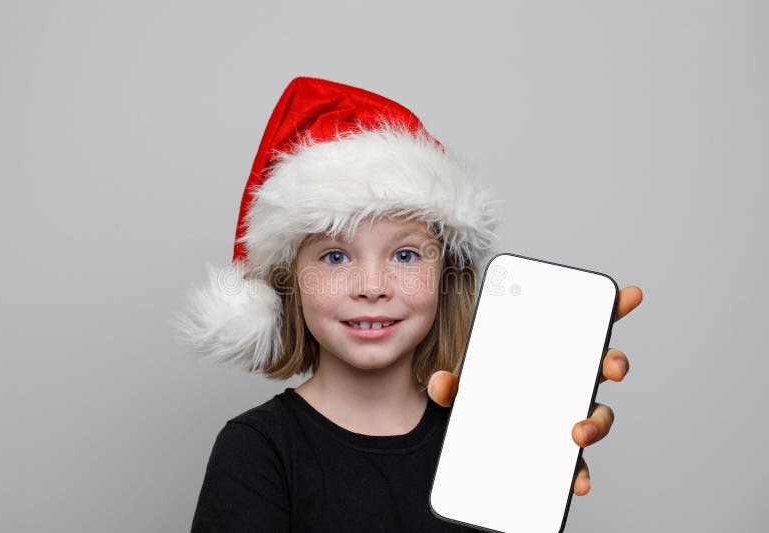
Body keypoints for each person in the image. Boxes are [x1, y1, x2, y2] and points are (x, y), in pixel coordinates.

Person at [175, 77, 643, 532]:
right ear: (289, 281)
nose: (373, 286)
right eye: (335, 256)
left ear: (446, 277)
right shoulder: (257, 452)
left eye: (405, 254)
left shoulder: (489, 446)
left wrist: (540, 458)